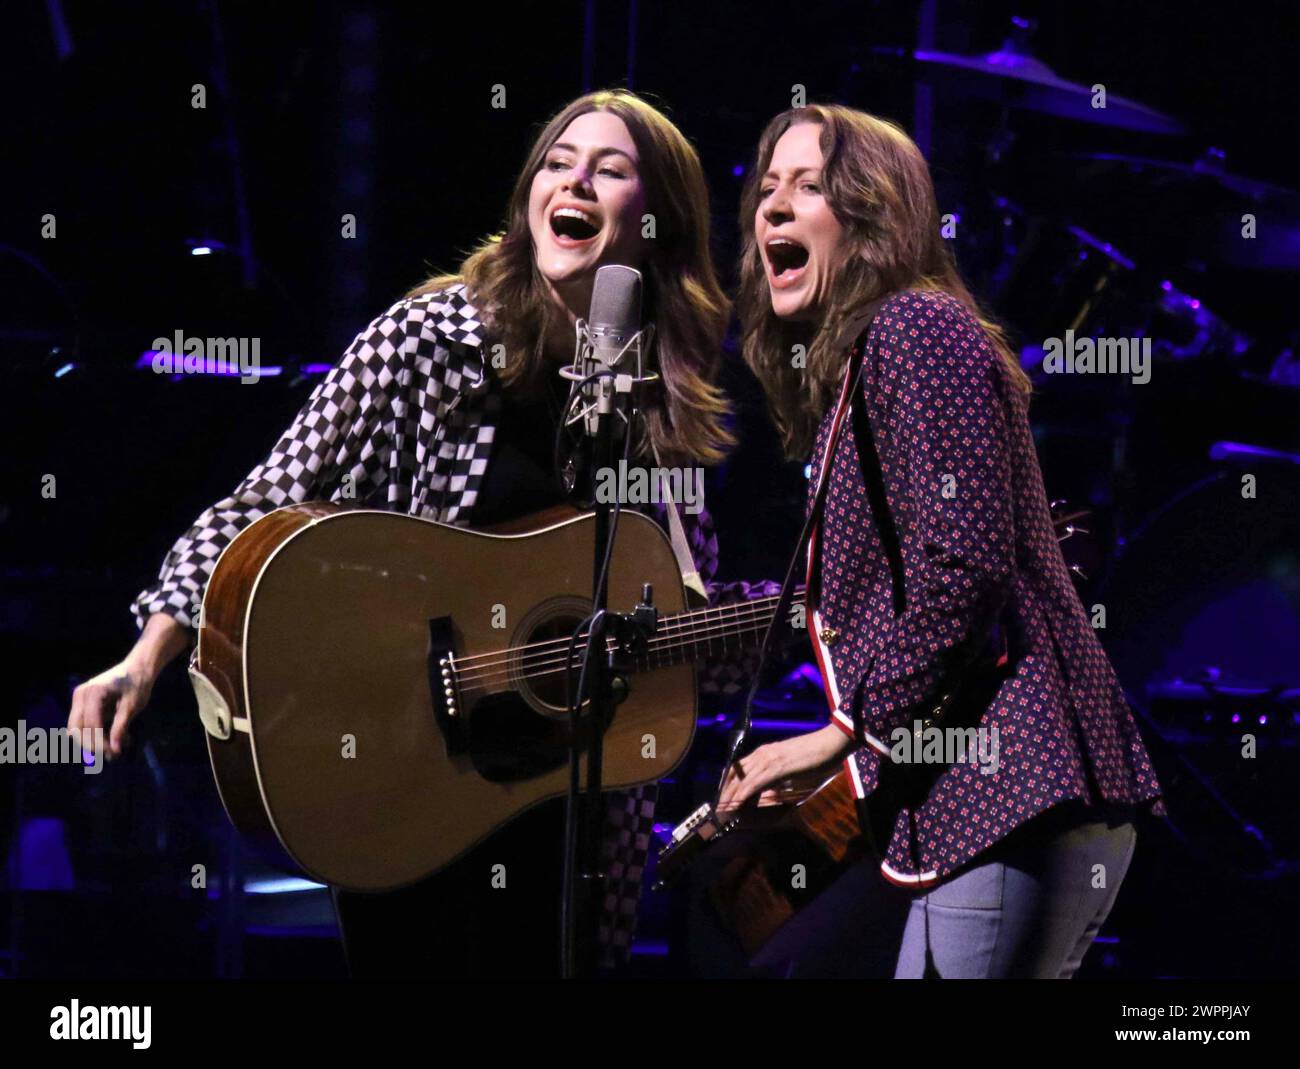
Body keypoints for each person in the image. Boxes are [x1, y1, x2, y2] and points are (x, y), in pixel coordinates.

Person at [68, 88, 773, 978]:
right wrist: (147, 654)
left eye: (610, 169)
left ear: (656, 220)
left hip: (570, 814)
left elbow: (671, 627)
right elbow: (268, 499)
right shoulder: (431, 339)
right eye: (558, 163)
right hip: (413, 771)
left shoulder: (653, 399)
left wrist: (810, 619)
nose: (576, 182)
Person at [717, 104, 1164, 978]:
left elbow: (965, 566)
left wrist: (840, 732)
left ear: (874, 216)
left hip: (1014, 787)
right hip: (976, 800)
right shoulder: (868, 361)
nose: (772, 206)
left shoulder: (916, 327)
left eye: (808, 187)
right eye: (767, 188)